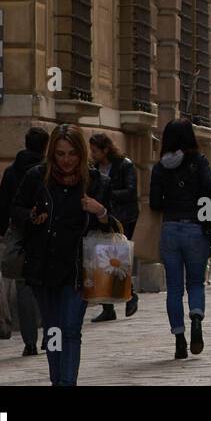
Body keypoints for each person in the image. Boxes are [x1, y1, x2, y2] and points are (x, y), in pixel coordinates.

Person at [11, 124, 118, 385]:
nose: (67, 160)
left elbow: (113, 227)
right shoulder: (37, 177)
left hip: (80, 268)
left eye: (72, 154)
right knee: (54, 330)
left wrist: (100, 211)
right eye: (60, 154)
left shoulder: (96, 182)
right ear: (52, 154)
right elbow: (15, 210)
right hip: (44, 266)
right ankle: (57, 380)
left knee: (70, 328)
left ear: (81, 154)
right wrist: (32, 216)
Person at [150, 118, 211, 359]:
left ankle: (179, 339)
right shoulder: (198, 160)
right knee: (195, 283)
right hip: (195, 229)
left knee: (173, 288)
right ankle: (196, 319)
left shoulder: (160, 167)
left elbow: (154, 203)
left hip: (170, 229)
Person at [0, 126, 48, 355]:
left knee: (24, 287)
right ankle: (50, 334)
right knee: (48, 285)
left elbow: (4, 204)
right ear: (45, 146)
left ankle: (29, 342)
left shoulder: (11, 171)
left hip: (20, 231)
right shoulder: (47, 171)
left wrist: (3, 227)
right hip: (45, 233)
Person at [88, 133, 139, 321]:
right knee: (103, 260)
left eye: (95, 151)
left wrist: (108, 194)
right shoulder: (93, 168)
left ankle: (131, 295)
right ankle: (108, 306)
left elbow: (131, 191)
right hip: (102, 217)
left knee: (118, 260)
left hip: (123, 218)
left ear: (105, 149)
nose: (92, 154)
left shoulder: (124, 165)